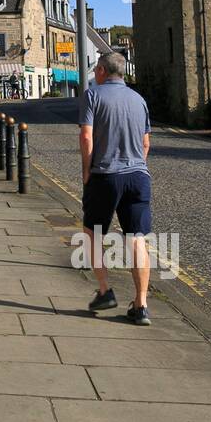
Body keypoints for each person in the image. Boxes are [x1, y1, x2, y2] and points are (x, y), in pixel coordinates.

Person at [78, 51, 153, 326]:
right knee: (137, 239)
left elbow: (86, 136)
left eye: (96, 69)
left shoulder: (93, 95)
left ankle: (104, 290)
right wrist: (136, 166)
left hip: (105, 175)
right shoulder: (139, 99)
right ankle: (141, 304)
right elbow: (146, 143)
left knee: (93, 233)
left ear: (101, 71)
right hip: (138, 176)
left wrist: (87, 169)